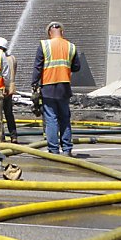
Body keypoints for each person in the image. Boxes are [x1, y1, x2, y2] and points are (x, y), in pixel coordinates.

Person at [30, 21, 80, 156]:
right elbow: (77, 67)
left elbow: (37, 66)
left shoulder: (44, 45)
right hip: (64, 87)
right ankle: (67, 149)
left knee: (51, 118)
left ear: (49, 33)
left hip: (48, 87)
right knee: (64, 117)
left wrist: (34, 83)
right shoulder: (71, 46)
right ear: (62, 33)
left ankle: (53, 150)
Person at [0, 37, 19, 144]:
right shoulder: (12, 58)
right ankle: (13, 136)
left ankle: (1, 136)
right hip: (10, 89)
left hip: (1, 89)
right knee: (9, 114)